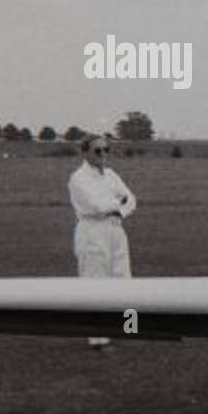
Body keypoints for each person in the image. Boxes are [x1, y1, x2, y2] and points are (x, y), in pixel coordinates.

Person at [68, 135, 136, 348]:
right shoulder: (78, 178)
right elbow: (97, 206)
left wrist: (120, 208)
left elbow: (131, 199)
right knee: (95, 281)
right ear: (86, 153)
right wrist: (117, 202)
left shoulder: (111, 175)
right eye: (98, 151)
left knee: (123, 278)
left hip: (116, 229)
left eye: (106, 149)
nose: (103, 155)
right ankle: (97, 338)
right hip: (93, 231)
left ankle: (127, 328)